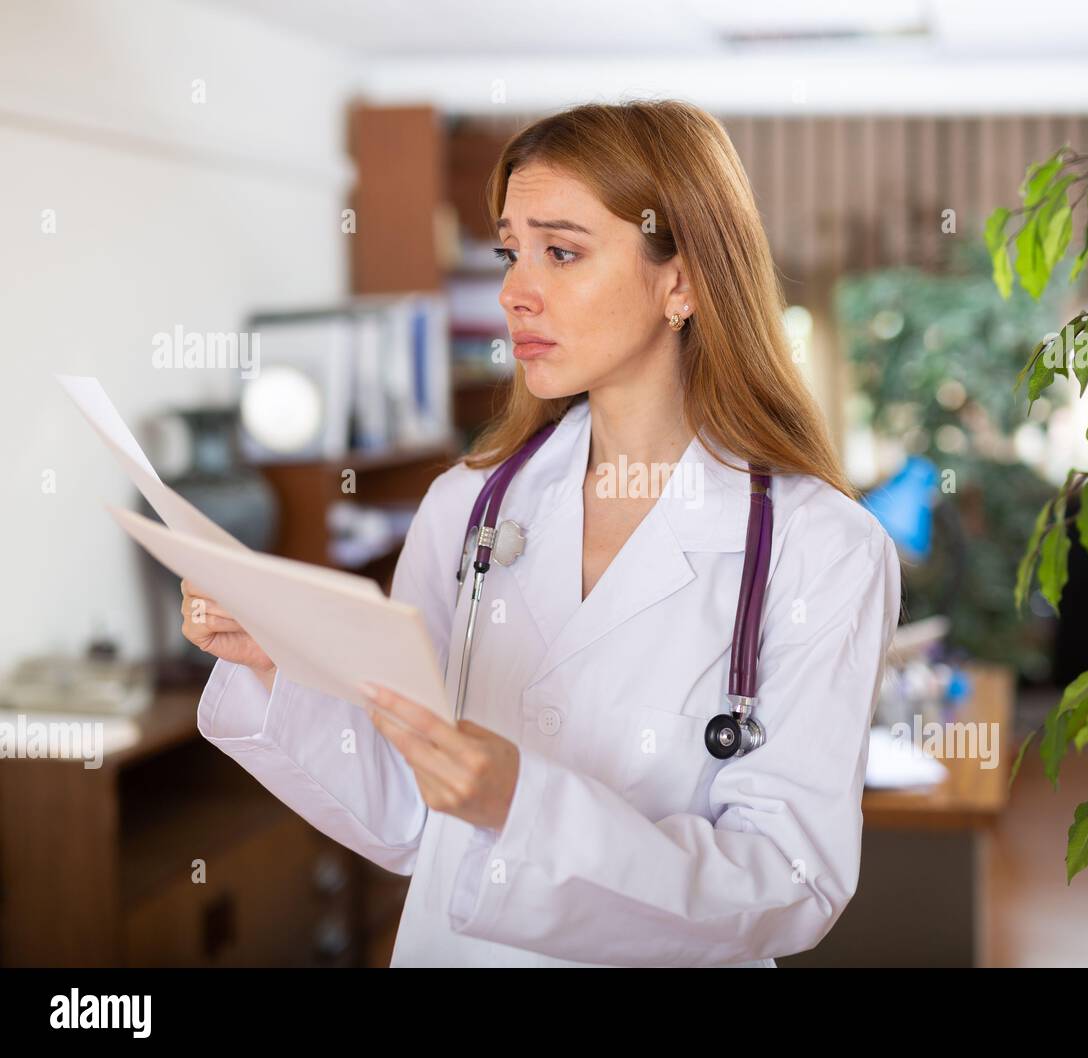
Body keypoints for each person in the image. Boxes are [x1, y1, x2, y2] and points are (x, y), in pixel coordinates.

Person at [183, 99, 902, 967]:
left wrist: (523, 804)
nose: (514, 291)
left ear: (683, 279)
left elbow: (790, 882)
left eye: (561, 252)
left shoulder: (822, 547)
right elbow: (412, 819)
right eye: (510, 252)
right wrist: (276, 664)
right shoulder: (467, 508)